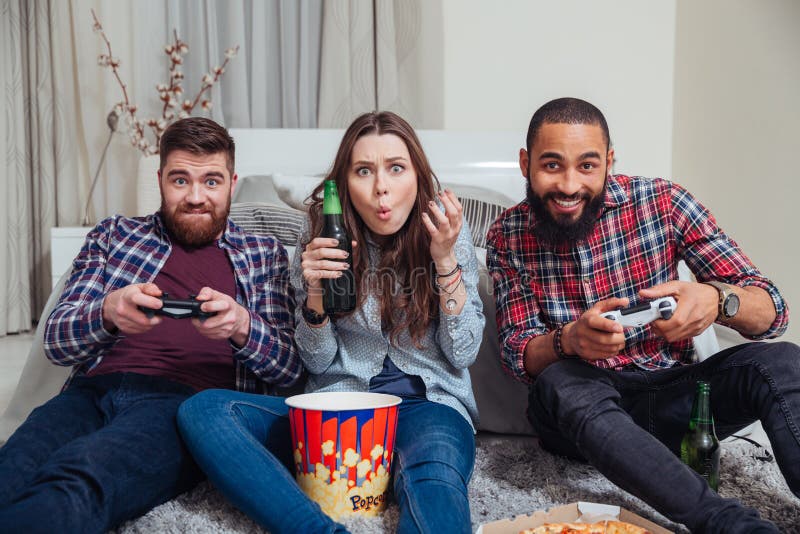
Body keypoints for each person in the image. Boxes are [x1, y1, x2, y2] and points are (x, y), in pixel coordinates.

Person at [487, 97, 798, 533]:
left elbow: (773, 310)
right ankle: (731, 525)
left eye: (588, 166)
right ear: (526, 163)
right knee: (560, 381)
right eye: (552, 165)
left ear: (610, 162)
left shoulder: (665, 203)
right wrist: (569, 341)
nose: (570, 185)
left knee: (784, 361)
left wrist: (716, 299)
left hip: (669, 395)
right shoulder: (507, 234)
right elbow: (518, 353)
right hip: (578, 413)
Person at [178, 111, 484, 534]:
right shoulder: (319, 236)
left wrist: (445, 259)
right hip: (339, 409)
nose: (381, 187)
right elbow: (319, 364)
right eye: (364, 171)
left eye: (396, 168)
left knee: (436, 482)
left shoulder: (446, 233)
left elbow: (464, 351)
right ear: (344, 183)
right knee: (204, 410)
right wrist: (315, 294)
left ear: (417, 174)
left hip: (429, 407)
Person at [0, 117, 301, 533]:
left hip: (181, 407)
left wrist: (242, 325)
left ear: (232, 184)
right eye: (181, 180)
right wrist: (106, 311)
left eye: (211, 182)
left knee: (80, 477)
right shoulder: (115, 235)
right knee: (12, 469)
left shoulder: (264, 254)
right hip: (91, 392)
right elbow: (55, 342)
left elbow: (290, 369)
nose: (196, 197)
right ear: (160, 180)